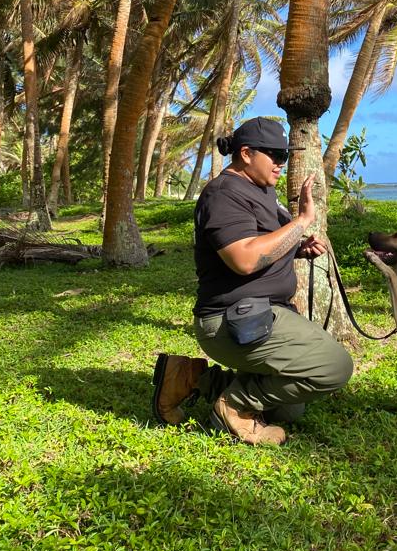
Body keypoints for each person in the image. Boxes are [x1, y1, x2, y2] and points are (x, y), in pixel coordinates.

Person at [151, 117, 353, 445]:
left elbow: (263, 241)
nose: (280, 163)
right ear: (246, 154)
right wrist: (301, 221)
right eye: (274, 155)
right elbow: (244, 259)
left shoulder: (261, 190)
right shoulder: (224, 194)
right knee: (335, 367)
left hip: (262, 313)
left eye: (284, 155)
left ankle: (191, 378)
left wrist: (297, 248)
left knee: (289, 411)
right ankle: (233, 405)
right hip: (232, 320)